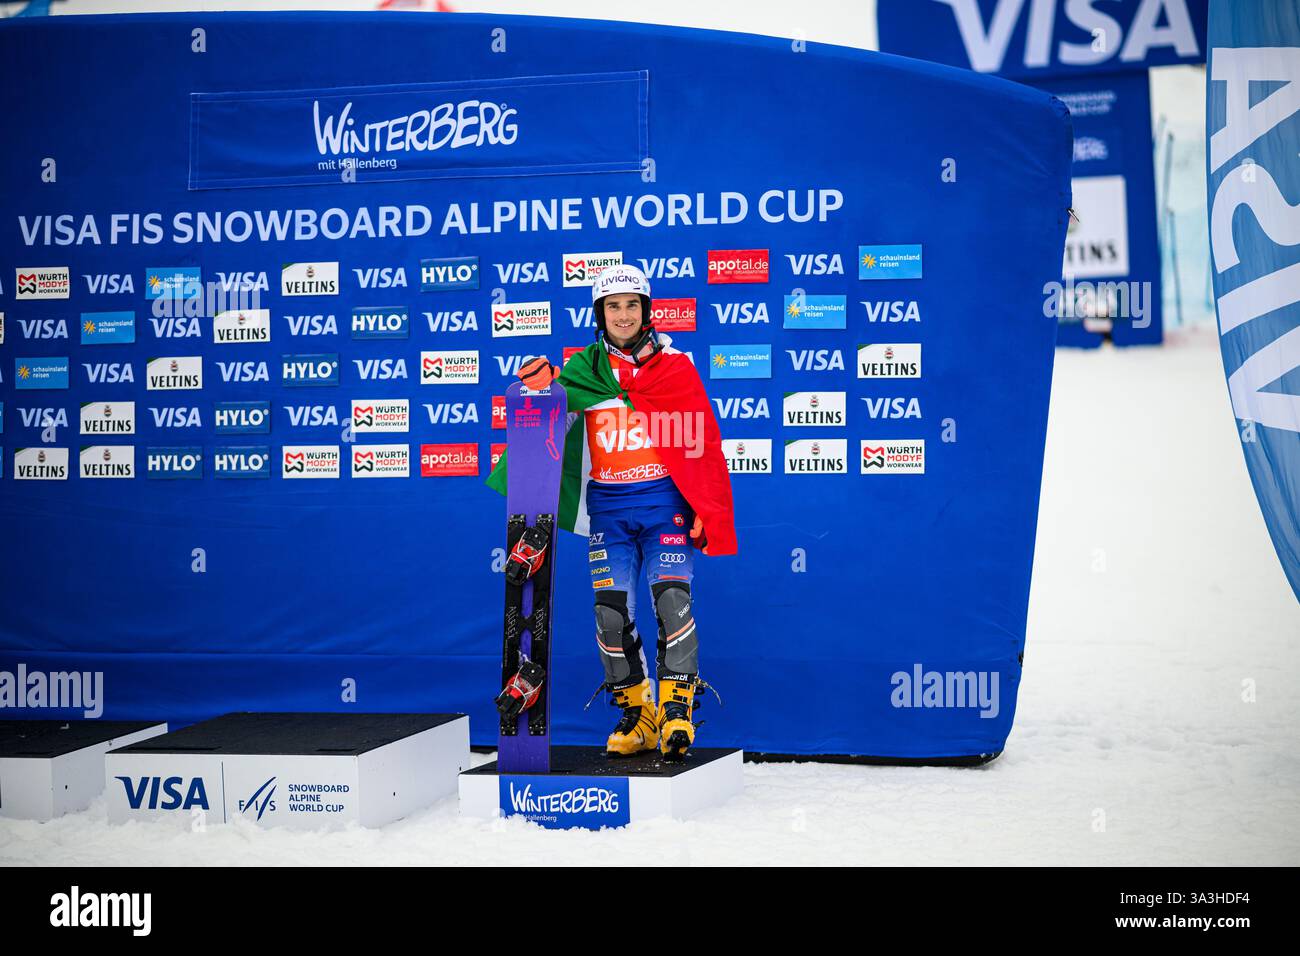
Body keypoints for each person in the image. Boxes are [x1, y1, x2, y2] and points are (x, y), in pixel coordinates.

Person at [505, 263, 737, 760]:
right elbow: (544, 430)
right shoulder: (581, 372)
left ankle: (677, 712)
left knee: (673, 602)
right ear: (600, 313)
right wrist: (537, 393)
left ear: (646, 310)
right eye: (614, 306)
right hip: (608, 507)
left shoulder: (675, 367)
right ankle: (638, 716)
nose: (624, 315)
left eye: (633, 304)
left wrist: (705, 506)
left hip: (663, 505)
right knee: (610, 615)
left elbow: (701, 445)